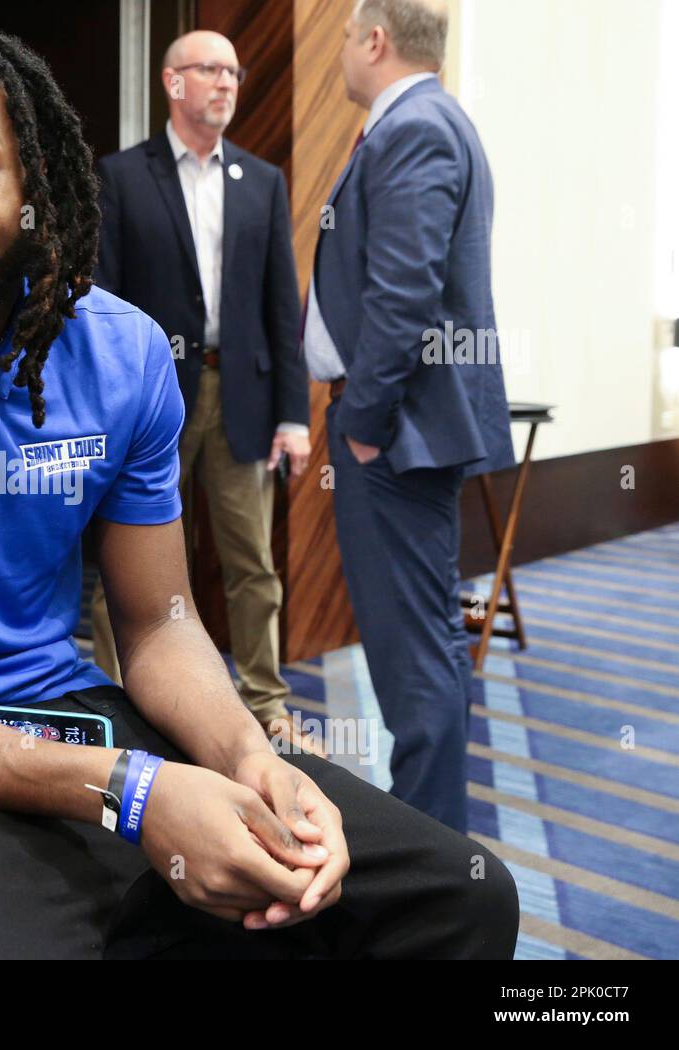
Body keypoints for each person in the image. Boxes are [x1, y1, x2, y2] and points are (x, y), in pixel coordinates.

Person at [0, 25, 519, 959]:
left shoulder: (122, 352)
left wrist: (251, 757)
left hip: (60, 707)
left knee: (455, 894)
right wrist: (131, 793)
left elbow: (160, 625)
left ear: (35, 185)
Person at [306, 0, 515, 832]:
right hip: (402, 430)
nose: (343, 59)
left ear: (375, 40)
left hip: (393, 434)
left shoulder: (414, 128)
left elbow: (405, 296)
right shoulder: (428, 120)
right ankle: (432, 837)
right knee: (419, 641)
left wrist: (362, 420)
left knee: (414, 650)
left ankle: (430, 851)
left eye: (347, 41)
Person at [87, 30, 313, 754]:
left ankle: (267, 701)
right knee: (130, 557)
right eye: (209, 70)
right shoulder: (121, 176)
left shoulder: (263, 181)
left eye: (234, 72)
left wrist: (294, 414)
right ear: (171, 82)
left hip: (241, 397)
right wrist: (109, 403)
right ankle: (116, 696)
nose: (225, 82)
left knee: (252, 561)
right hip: (152, 400)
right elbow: (102, 302)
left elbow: (284, 305)